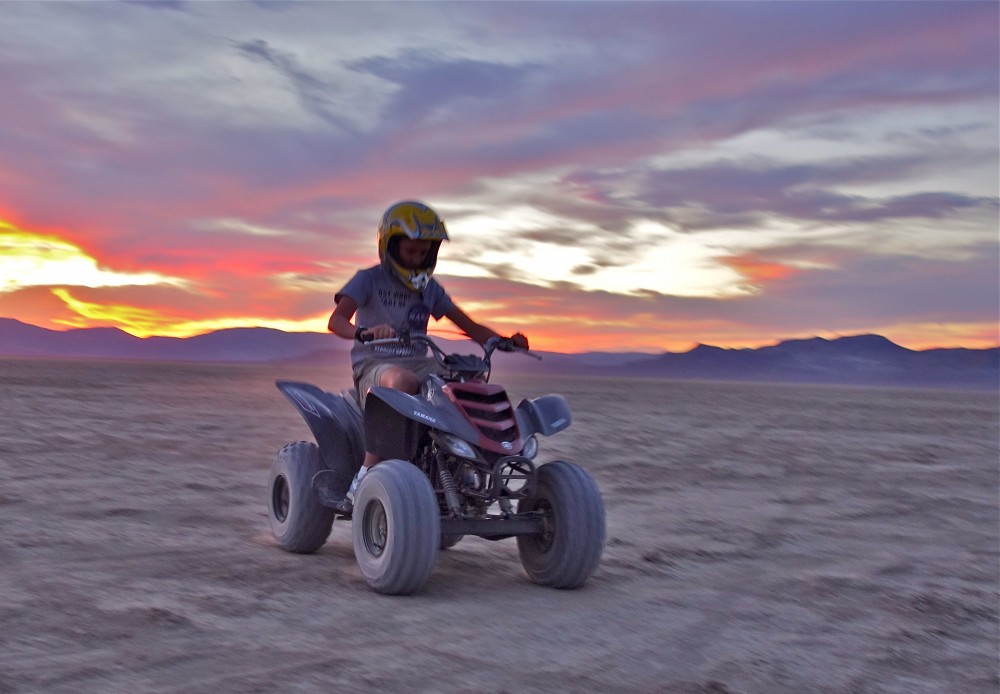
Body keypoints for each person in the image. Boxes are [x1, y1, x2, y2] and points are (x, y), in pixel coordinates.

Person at [328, 200, 528, 496]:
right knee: (402, 381)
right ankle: (366, 472)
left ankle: (462, 464)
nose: (416, 258)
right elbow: (336, 321)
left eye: (423, 252)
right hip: (374, 364)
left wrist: (504, 341)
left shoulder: (429, 288)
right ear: (391, 247)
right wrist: (364, 333)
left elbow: (470, 327)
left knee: (467, 380)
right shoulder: (368, 279)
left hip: (418, 361)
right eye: (410, 251)